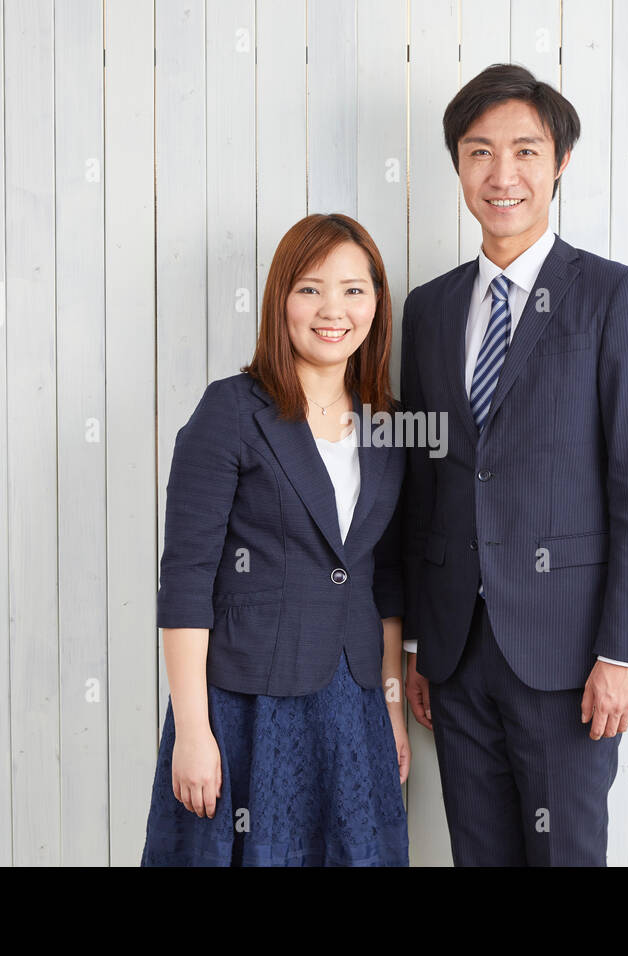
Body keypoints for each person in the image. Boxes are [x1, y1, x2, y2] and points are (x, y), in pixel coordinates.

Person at [398, 64, 628, 866]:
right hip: (456, 655)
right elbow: (427, 481)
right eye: (480, 152)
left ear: (559, 164)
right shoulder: (430, 309)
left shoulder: (617, 299)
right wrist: (419, 642)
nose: (502, 174)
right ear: (457, 166)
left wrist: (624, 653)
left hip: (569, 657)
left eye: (525, 150)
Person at [141, 213, 410, 866]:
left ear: (376, 302)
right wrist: (194, 732)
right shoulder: (231, 410)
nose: (333, 309)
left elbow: (385, 577)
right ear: (279, 301)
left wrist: (393, 707)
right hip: (247, 706)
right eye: (310, 288)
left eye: (354, 289)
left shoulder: (390, 424)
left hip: (354, 704)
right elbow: (185, 580)